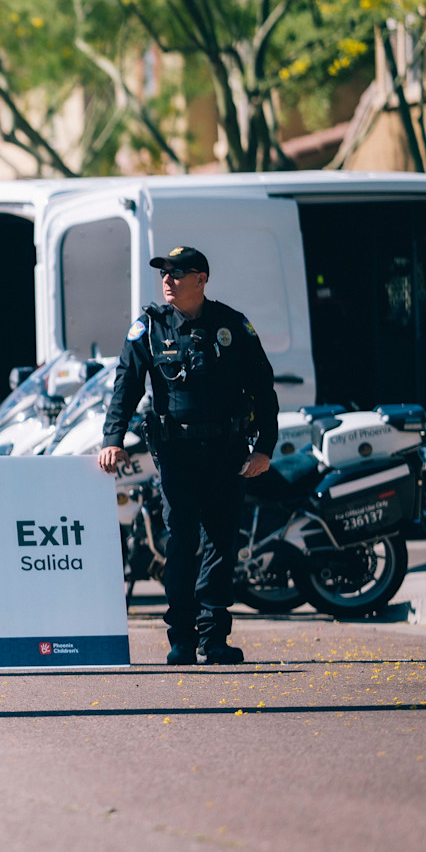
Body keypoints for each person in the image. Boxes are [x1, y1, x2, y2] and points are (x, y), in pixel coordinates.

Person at [99, 246, 276, 666]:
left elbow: (263, 389)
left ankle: (214, 638)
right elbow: (126, 386)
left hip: (227, 451)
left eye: (178, 273)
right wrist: (113, 438)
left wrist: (264, 447)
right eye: (165, 272)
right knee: (182, 541)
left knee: (220, 540)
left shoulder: (232, 325)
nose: (168, 280)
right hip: (175, 454)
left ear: (202, 278)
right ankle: (181, 638)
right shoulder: (149, 327)